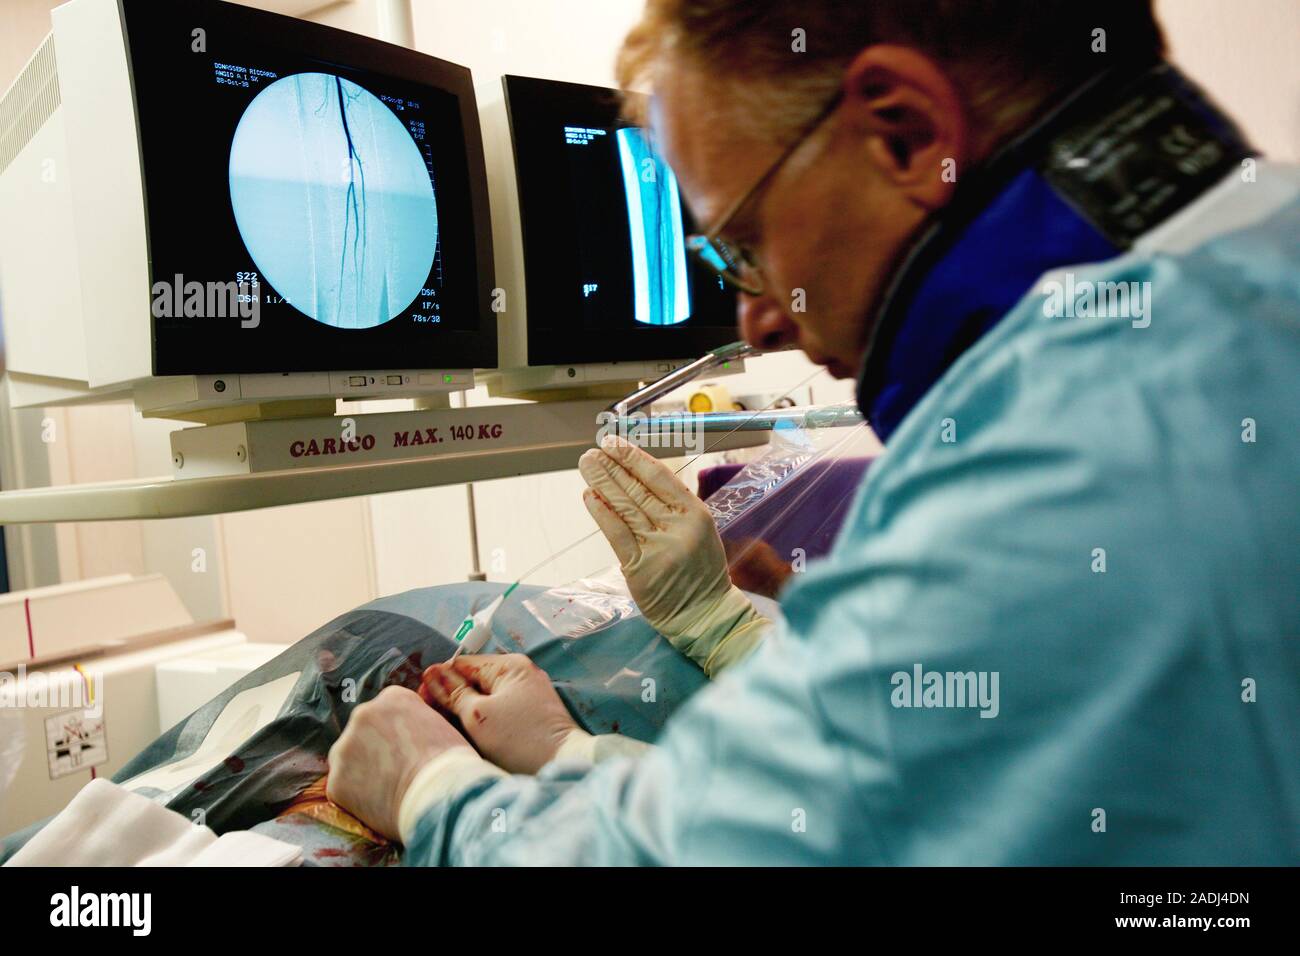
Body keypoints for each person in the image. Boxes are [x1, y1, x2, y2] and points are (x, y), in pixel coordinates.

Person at [326, 0, 1300, 864]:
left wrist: (433, 787)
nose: (755, 320)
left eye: (743, 246)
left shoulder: (1059, 458)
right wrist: (620, 728)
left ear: (906, 133)